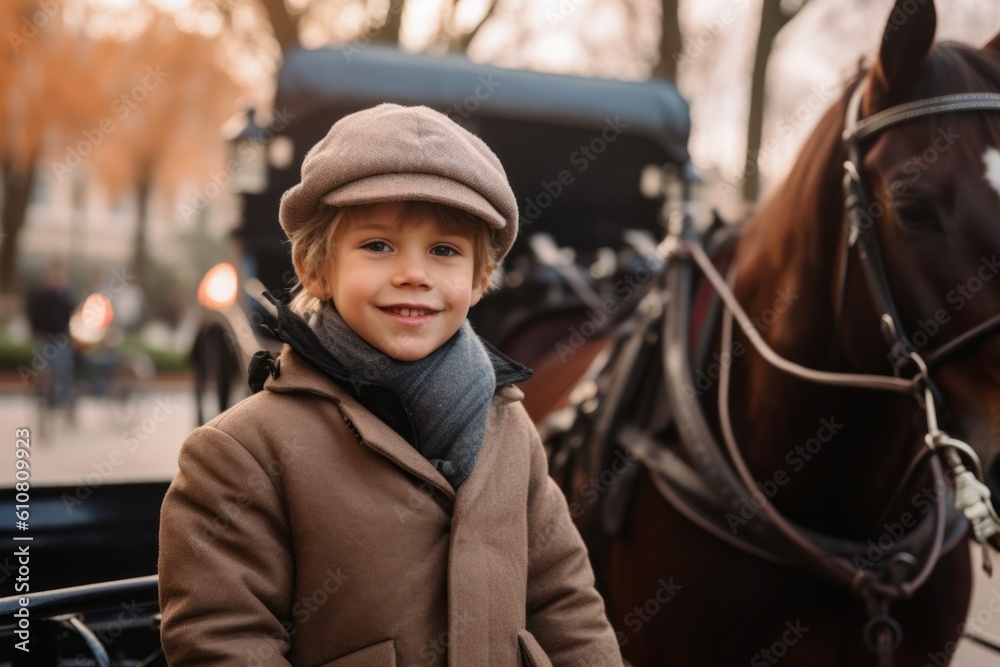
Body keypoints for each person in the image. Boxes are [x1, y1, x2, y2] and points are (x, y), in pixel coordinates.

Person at [158, 103, 624, 666]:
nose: (414, 273)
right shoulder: (240, 454)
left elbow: (564, 601)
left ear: (479, 280)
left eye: (444, 251)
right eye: (377, 245)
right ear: (314, 267)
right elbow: (223, 643)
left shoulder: (510, 427)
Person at [26, 263, 76, 408]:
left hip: (62, 339)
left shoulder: (66, 298)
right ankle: (43, 395)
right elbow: (33, 317)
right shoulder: (40, 297)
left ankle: (61, 398)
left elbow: (73, 317)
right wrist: (35, 332)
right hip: (45, 338)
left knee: (63, 368)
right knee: (43, 368)